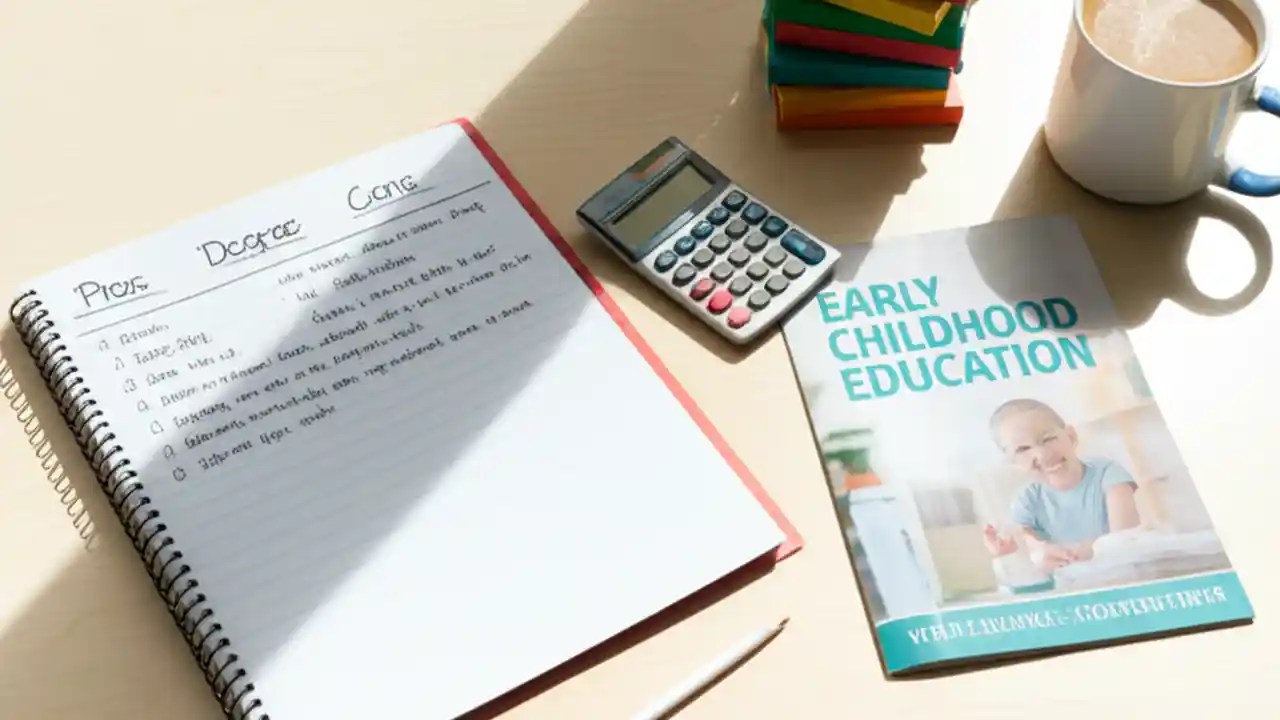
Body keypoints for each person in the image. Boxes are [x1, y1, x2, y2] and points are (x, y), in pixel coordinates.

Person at [981, 398, 1140, 572]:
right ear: (1012, 461)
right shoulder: (1028, 500)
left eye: (1048, 439)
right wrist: (1010, 550)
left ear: (1071, 437)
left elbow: (1125, 538)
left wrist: (1085, 551)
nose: (1042, 454)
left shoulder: (1108, 474)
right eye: (1023, 449)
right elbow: (1028, 544)